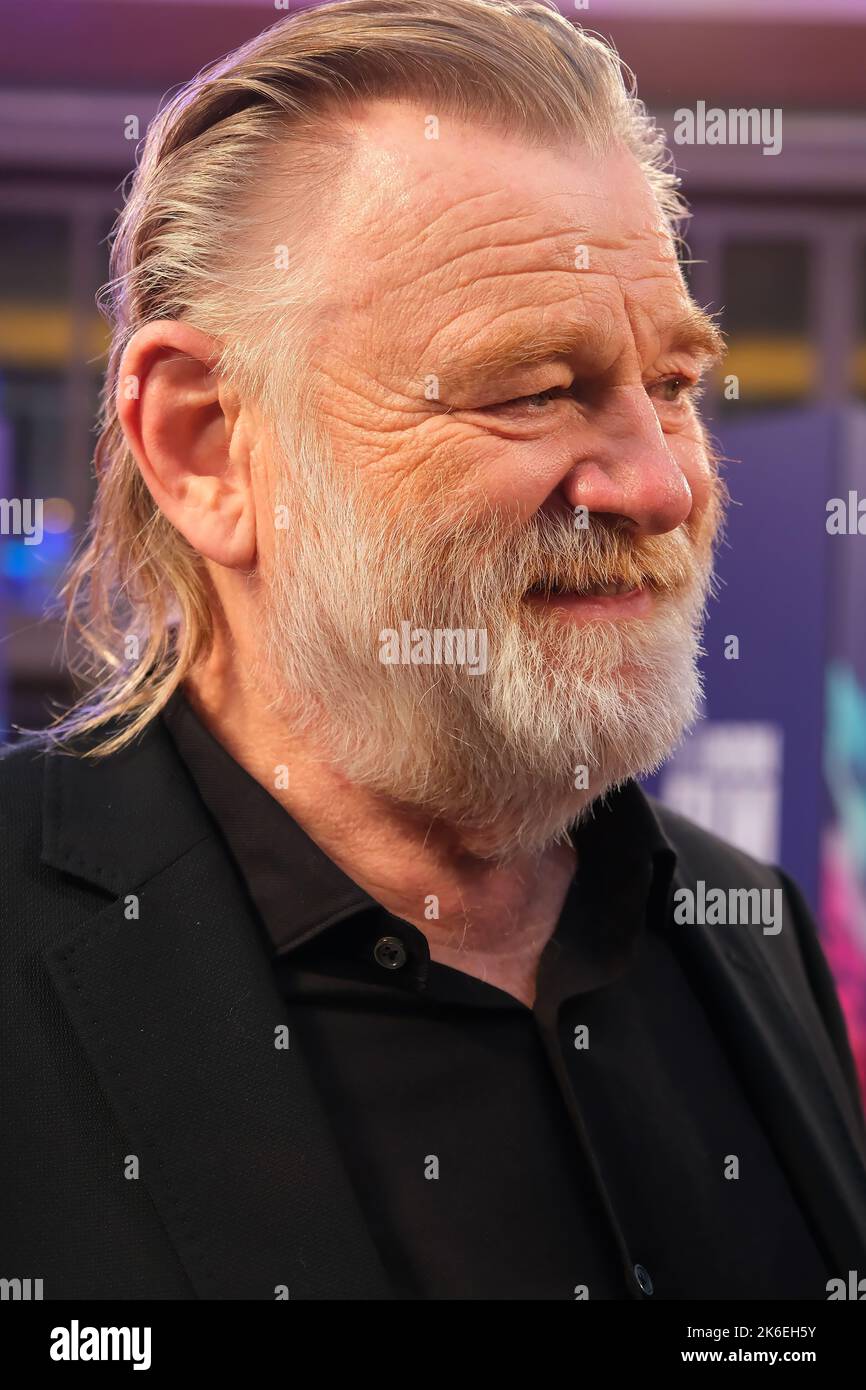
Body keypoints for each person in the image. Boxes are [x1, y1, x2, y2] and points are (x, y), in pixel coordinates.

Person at [2, 0, 865, 1300]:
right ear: (205, 446)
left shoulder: (745, 931)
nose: (657, 484)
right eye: (532, 388)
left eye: (676, 386)